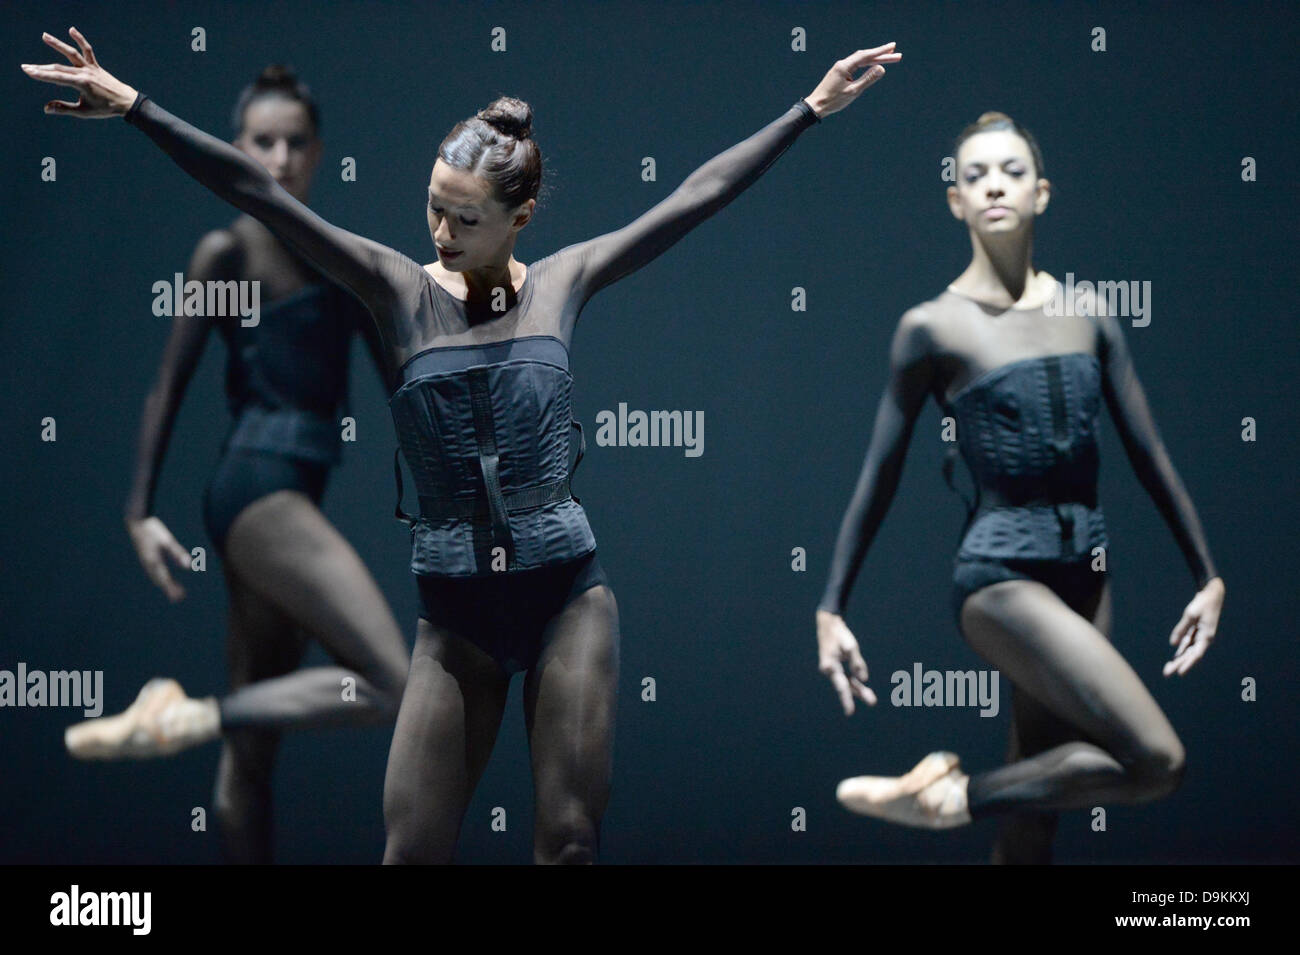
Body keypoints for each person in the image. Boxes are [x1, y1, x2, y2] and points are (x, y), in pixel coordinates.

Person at [24, 26, 902, 863]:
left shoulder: (566, 281)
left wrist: (810, 108)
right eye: (433, 209)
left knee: (567, 842)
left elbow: (695, 197)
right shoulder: (394, 289)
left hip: (568, 601)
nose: (440, 234)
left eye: (464, 220)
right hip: (454, 621)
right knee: (409, 850)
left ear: (520, 217)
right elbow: (252, 191)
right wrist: (134, 104)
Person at [814, 111, 1225, 862]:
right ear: (956, 203)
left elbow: (1149, 456)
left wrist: (1209, 575)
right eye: (974, 175)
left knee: (1039, 814)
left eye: (1010, 172)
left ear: (1042, 192)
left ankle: (961, 801)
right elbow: (880, 473)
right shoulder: (931, 326)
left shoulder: (1091, 315)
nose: (993, 185)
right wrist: (831, 605)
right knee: (1157, 760)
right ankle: (949, 798)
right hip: (999, 579)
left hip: (1086, 576)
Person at [56, 64, 410, 864]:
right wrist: (140, 510)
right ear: (237, 148)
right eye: (261, 143)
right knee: (389, 682)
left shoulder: (341, 262)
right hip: (256, 492)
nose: (278, 158)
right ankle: (182, 713)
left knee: (251, 757)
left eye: (294, 144)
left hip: (288, 493)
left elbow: (403, 391)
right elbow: (166, 388)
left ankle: (198, 720)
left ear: (317, 153)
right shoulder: (224, 255)